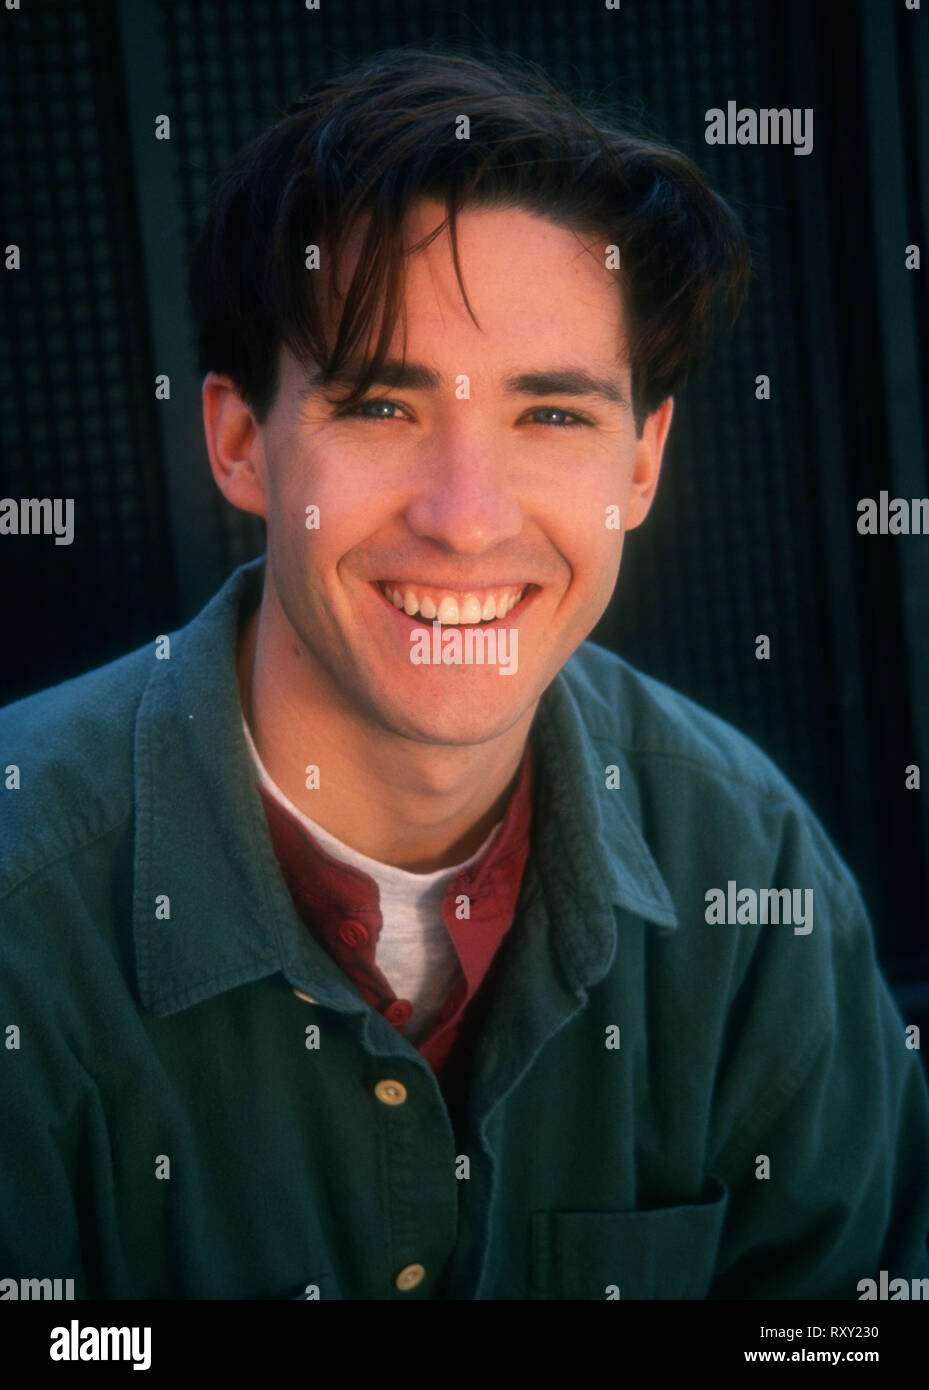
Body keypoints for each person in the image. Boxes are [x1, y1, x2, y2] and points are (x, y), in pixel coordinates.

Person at [1, 47, 927, 1302]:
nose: (465, 517)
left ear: (640, 467)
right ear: (237, 442)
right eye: (381, 406)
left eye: (551, 415)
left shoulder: (749, 864)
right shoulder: (20, 904)